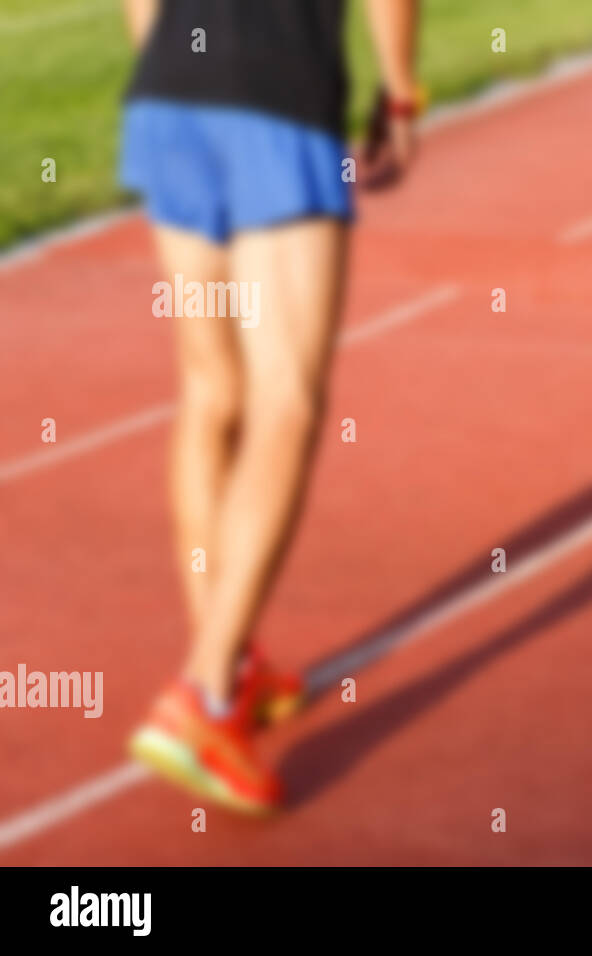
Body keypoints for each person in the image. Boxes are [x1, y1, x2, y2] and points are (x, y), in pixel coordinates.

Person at [119, 0, 421, 814]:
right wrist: (399, 94)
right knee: (287, 401)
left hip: (168, 93)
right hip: (275, 96)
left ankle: (231, 665)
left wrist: (177, 71)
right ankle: (207, 696)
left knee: (210, 390)